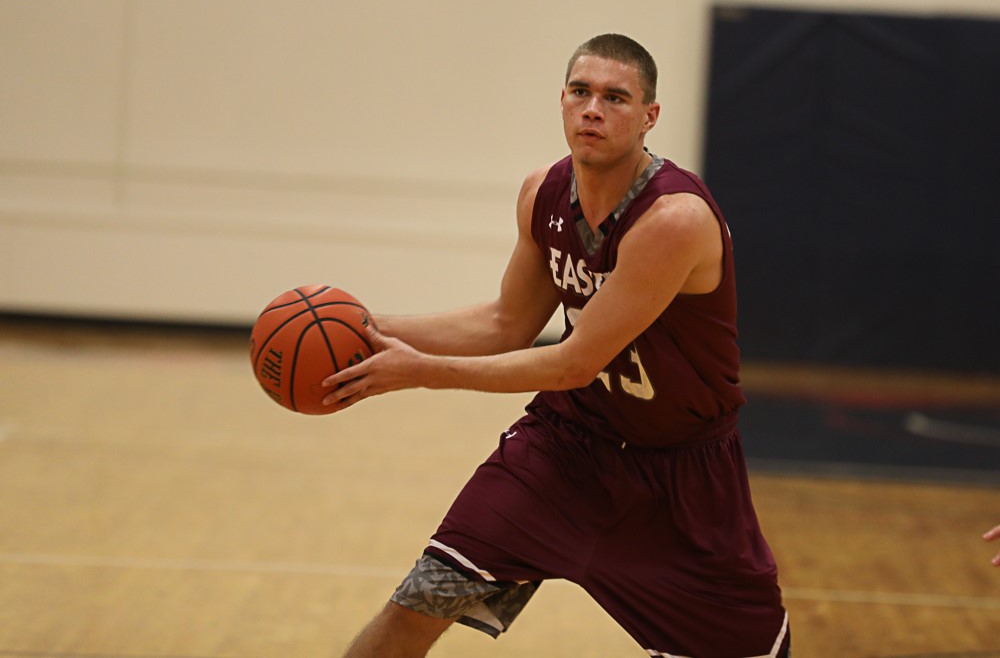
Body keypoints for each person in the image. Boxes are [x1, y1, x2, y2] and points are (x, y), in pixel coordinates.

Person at [322, 33, 790, 658]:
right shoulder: (542, 192)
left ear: (649, 116)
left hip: (679, 476)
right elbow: (506, 324)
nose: (593, 109)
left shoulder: (672, 220)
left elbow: (573, 362)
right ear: (562, 100)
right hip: (563, 451)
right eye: (581, 91)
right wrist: (361, 326)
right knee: (417, 603)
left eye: (615, 98)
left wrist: (420, 371)